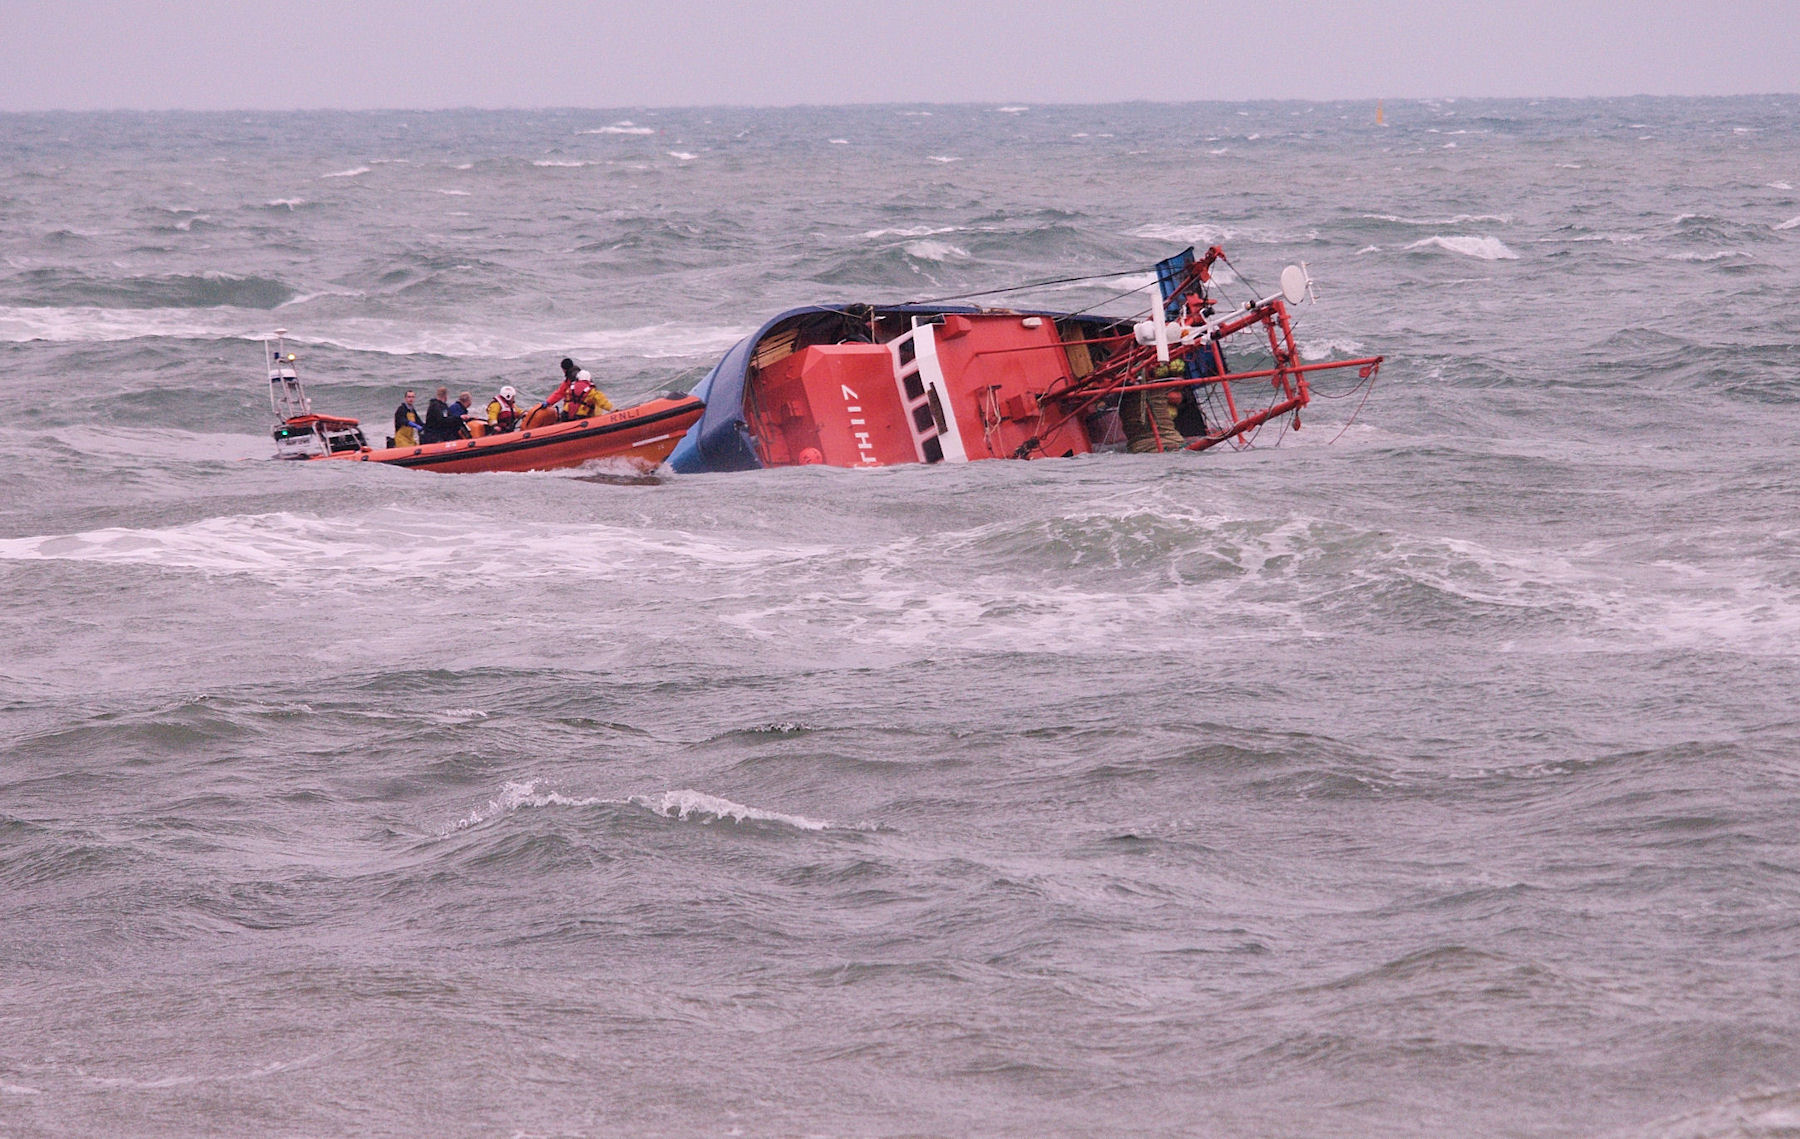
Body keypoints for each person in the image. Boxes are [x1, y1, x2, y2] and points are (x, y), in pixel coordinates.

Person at [540, 359, 614, 421]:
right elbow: (600, 399)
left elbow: (559, 393)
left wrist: (548, 402)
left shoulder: (569, 381)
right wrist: (613, 409)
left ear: (563, 369)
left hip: (570, 413)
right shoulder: (585, 381)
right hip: (586, 413)